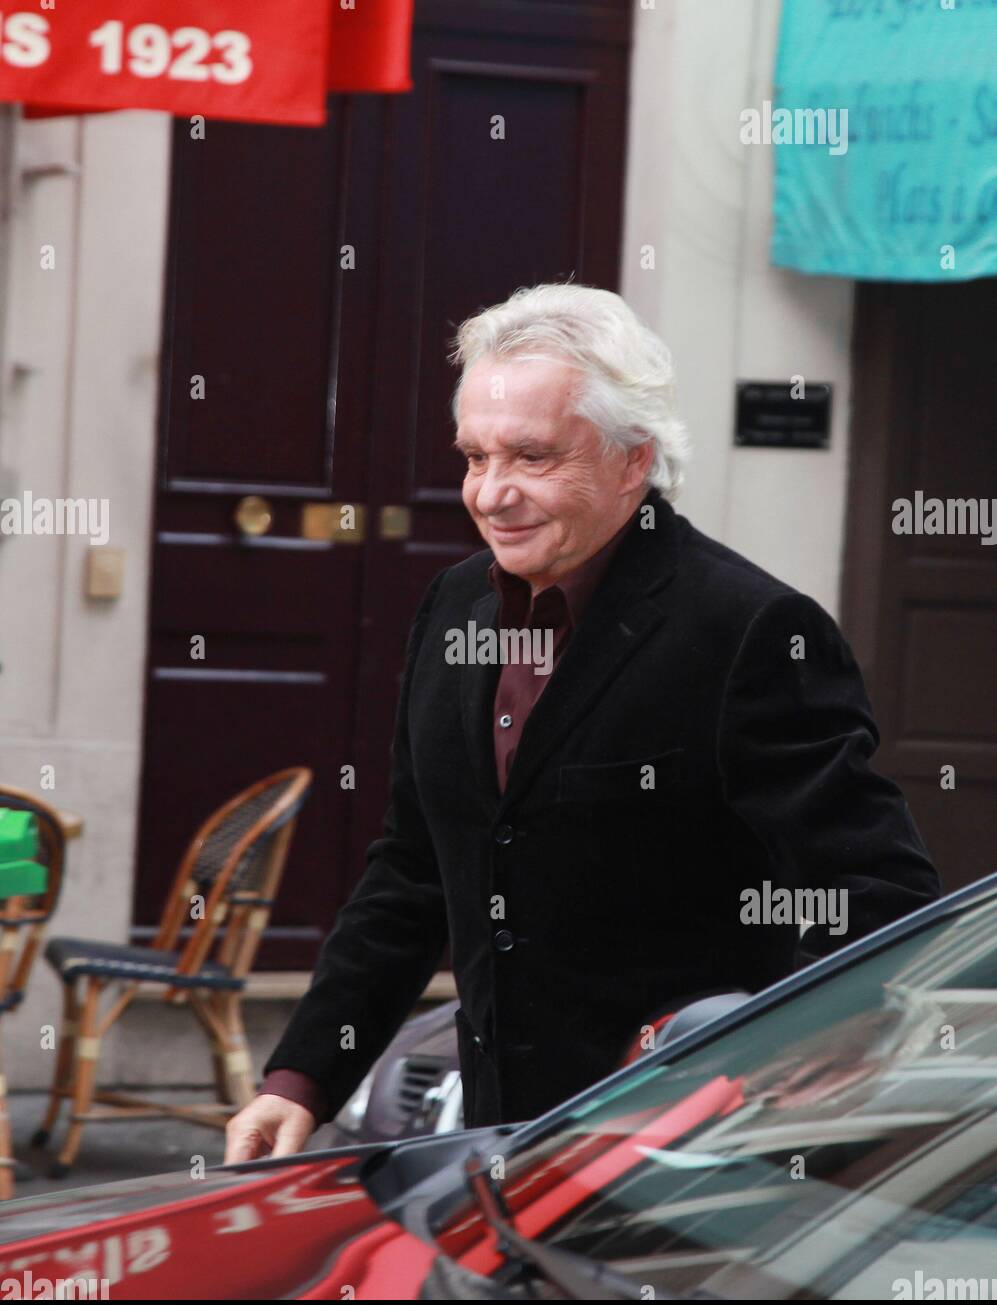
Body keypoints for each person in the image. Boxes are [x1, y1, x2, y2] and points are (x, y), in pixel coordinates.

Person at [224, 282, 940, 1163]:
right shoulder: (452, 605)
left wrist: (747, 1079)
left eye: (531, 457)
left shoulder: (749, 630)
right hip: (499, 1144)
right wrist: (299, 1080)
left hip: (684, 1161)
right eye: (474, 457)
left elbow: (875, 901)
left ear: (631, 460)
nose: (491, 494)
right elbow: (413, 871)